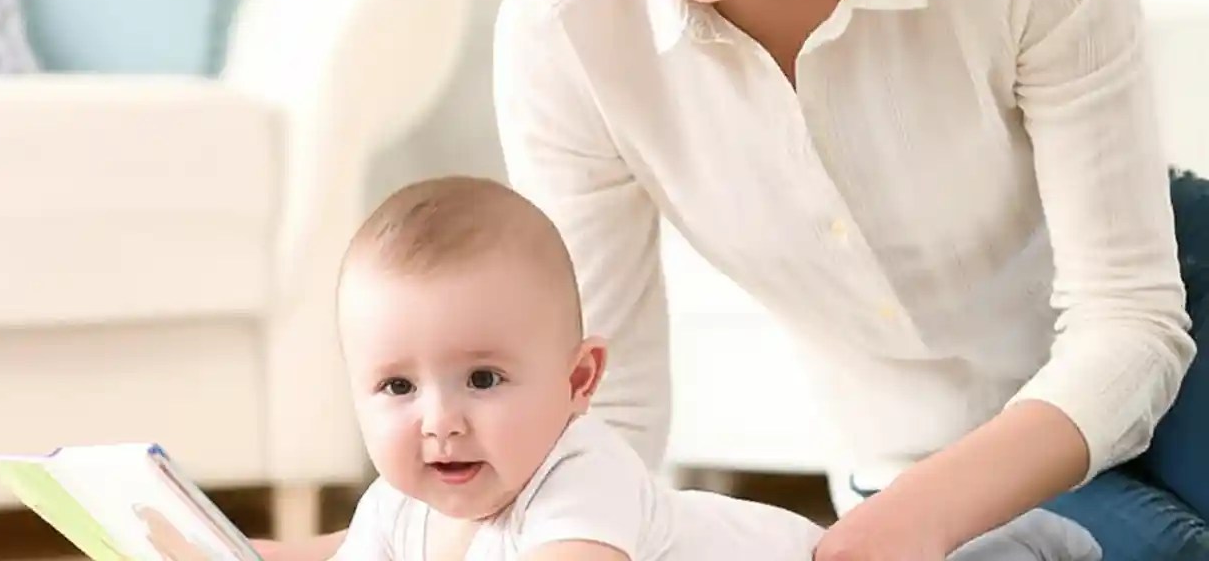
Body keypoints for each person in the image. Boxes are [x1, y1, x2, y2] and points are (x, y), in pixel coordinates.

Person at [262, 0, 1209, 559]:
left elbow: (1128, 320)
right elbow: (596, 409)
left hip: (1168, 316)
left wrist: (908, 523)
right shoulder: (563, 36)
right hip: (921, 447)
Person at [324, 175, 1104, 560]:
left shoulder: (578, 476)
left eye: (483, 379)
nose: (440, 419)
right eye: (397, 386)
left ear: (579, 382)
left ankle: (1028, 542)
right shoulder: (397, 513)